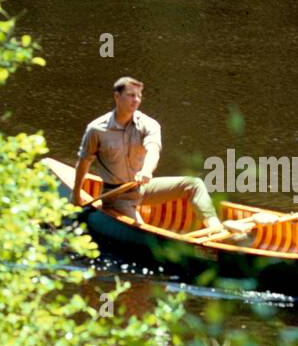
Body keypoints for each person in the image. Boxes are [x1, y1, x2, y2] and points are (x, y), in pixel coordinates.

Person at [73, 76, 244, 235]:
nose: (136, 100)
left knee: (194, 184)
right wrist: (76, 194)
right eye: (131, 95)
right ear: (117, 97)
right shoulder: (96, 129)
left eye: (139, 96)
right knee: (143, 232)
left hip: (142, 187)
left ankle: (215, 228)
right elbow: (84, 162)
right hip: (116, 195)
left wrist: (146, 170)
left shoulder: (149, 124)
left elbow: (153, 149)